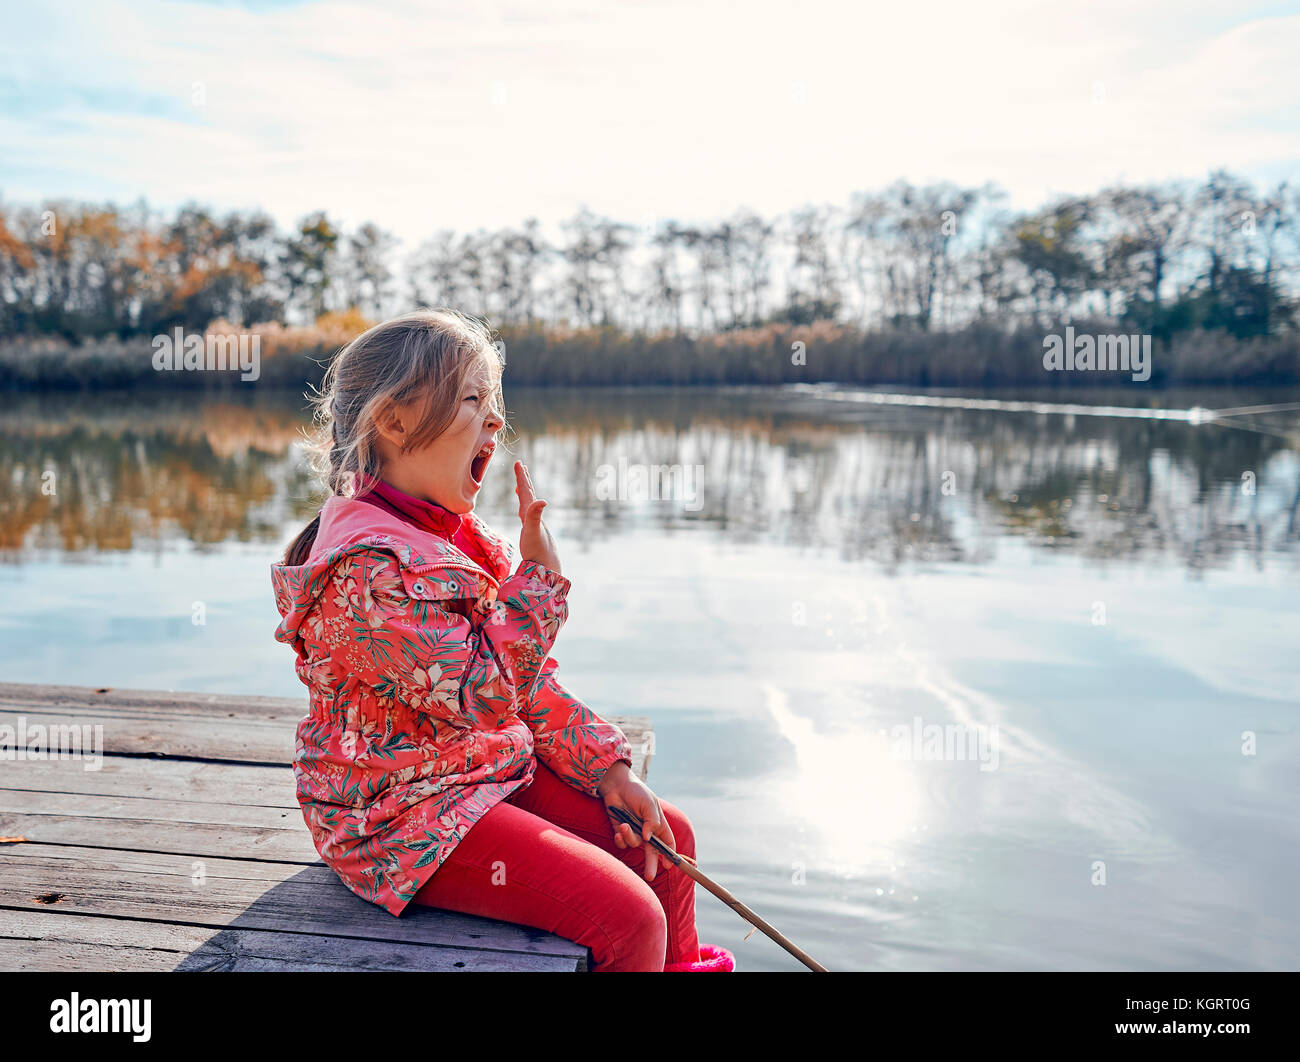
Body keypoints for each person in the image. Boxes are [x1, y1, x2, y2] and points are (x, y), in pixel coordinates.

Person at [271, 308, 734, 971]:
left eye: (493, 404)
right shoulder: (364, 570)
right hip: (398, 817)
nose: (495, 422)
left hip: (481, 775)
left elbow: (525, 689)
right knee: (627, 918)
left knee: (666, 838)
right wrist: (539, 581)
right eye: (471, 400)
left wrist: (609, 768)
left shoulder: (454, 540)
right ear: (395, 422)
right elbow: (481, 695)